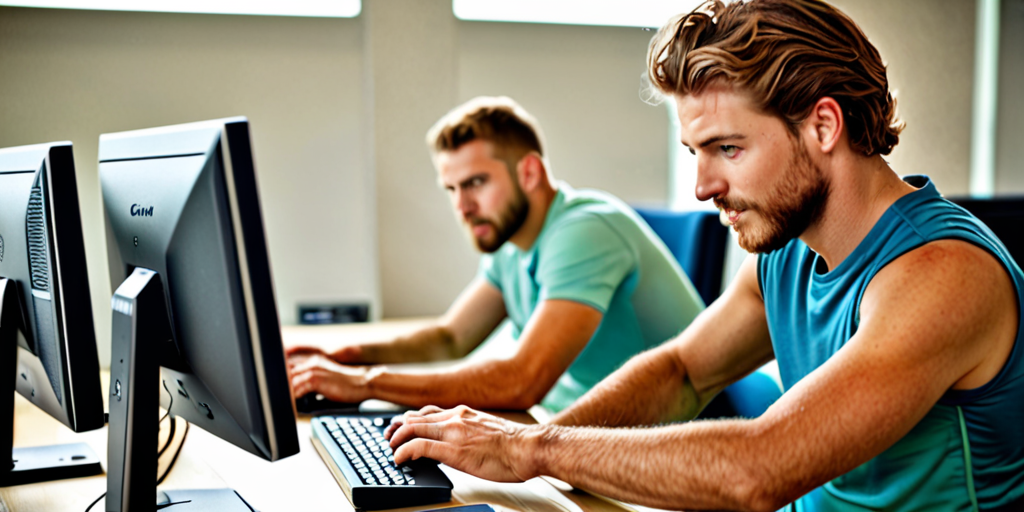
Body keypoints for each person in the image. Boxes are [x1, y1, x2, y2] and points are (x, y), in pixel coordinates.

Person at [383, 1, 1024, 510]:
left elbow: (760, 469)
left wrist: (534, 449)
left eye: (728, 149)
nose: (702, 186)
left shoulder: (944, 274)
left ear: (823, 126)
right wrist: (525, 448)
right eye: (696, 152)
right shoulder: (787, 252)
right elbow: (682, 372)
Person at [288, 96, 705, 413]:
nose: (463, 206)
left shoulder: (584, 231)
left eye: (475, 183)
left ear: (529, 172)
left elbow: (522, 381)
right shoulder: (511, 242)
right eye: (452, 189)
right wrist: (345, 358)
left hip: (663, 442)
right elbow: (450, 338)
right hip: (581, 422)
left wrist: (365, 384)